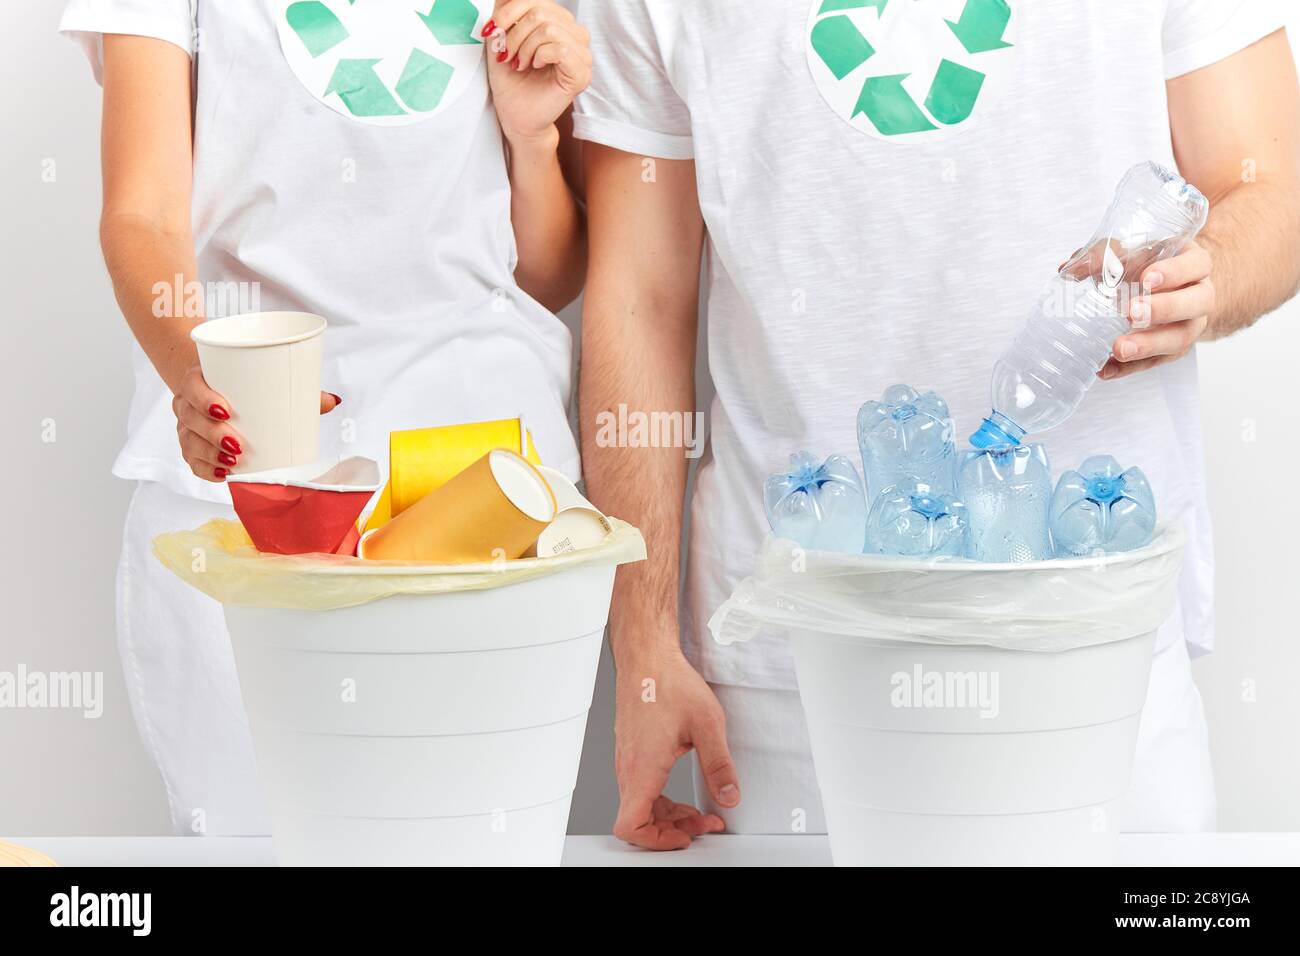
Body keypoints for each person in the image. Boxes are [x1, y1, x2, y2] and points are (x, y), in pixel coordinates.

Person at [575, 0, 1300, 848]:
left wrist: (1205, 280)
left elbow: (1274, 187)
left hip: (1098, 635)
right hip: (801, 661)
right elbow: (637, 298)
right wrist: (643, 647)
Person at [60, 0, 591, 835]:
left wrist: (533, 140)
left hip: (482, 475)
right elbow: (143, 213)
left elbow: (549, 278)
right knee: (257, 840)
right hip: (259, 478)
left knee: (468, 843)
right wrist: (194, 374)